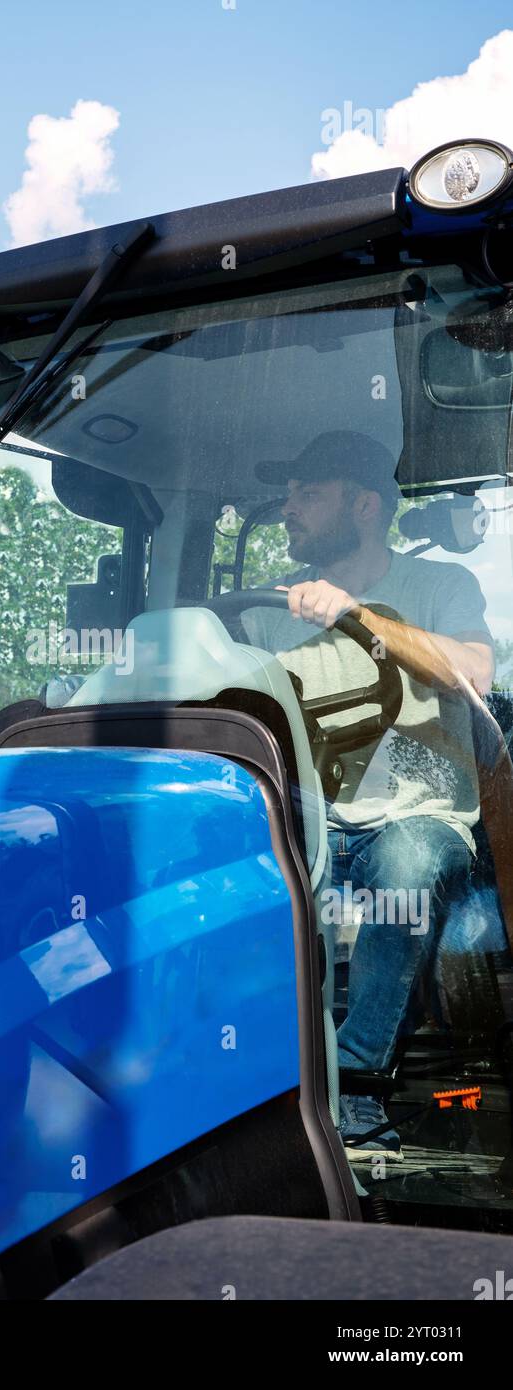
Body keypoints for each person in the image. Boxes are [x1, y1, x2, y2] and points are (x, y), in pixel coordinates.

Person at [242, 431, 495, 1160]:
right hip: (312, 821)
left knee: (407, 865)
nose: (288, 508)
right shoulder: (266, 613)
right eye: (287, 494)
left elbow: (473, 671)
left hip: (419, 819)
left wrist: (355, 614)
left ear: (363, 505)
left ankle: (349, 1090)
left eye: (307, 494)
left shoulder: (440, 588)